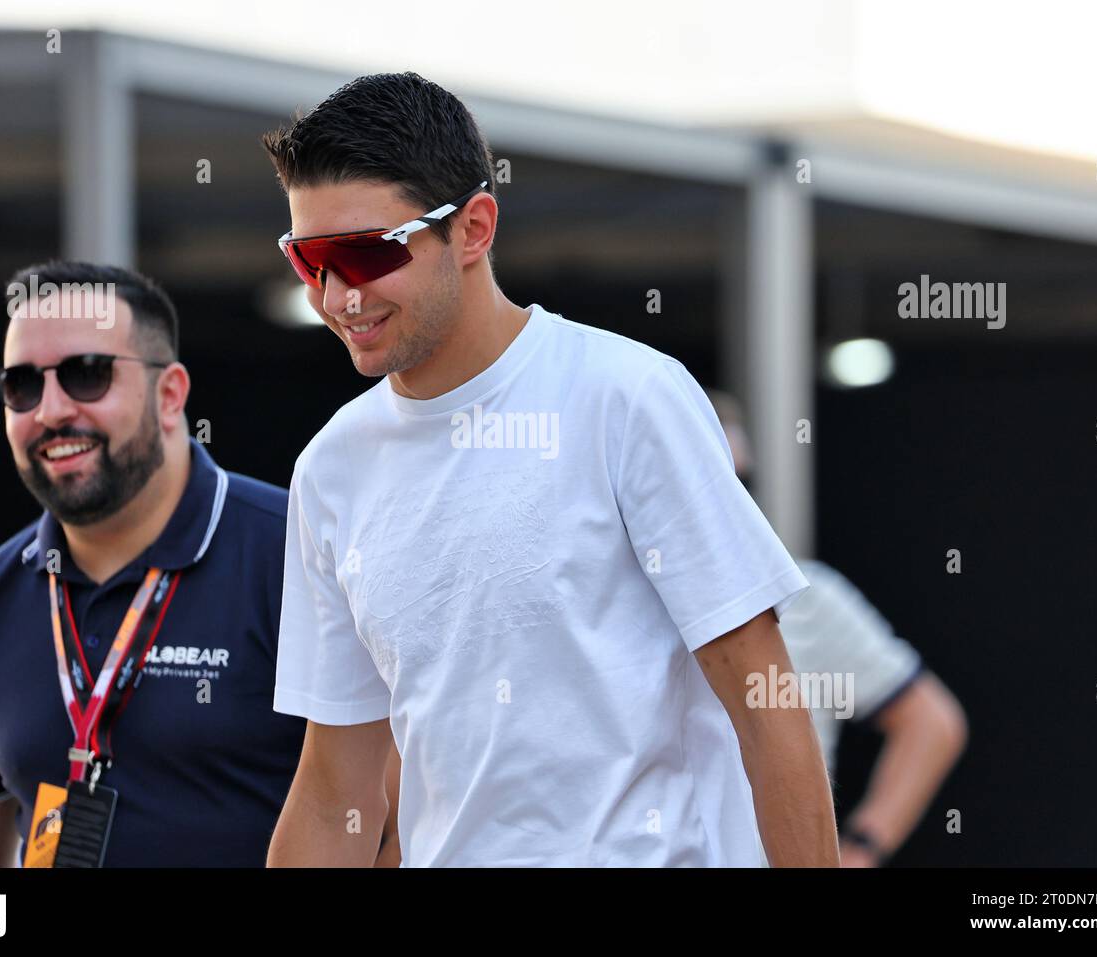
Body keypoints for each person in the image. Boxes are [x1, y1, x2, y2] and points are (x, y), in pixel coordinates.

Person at [263, 72, 837, 867]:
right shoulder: (331, 468)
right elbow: (334, 788)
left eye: (363, 253)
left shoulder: (626, 397)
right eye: (309, 259)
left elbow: (767, 705)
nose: (337, 295)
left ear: (473, 228)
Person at [0, 261, 306, 867]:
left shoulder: (298, 558)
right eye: (21, 385)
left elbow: (389, 829)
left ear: (171, 394)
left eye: (87, 375)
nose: (50, 411)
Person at [709, 390, 968, 867]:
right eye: (716, 486)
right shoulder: (612, 610)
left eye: (742, 485)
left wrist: (861, 849)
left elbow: (931, 721)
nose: (731, 507)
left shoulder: (804, 597)